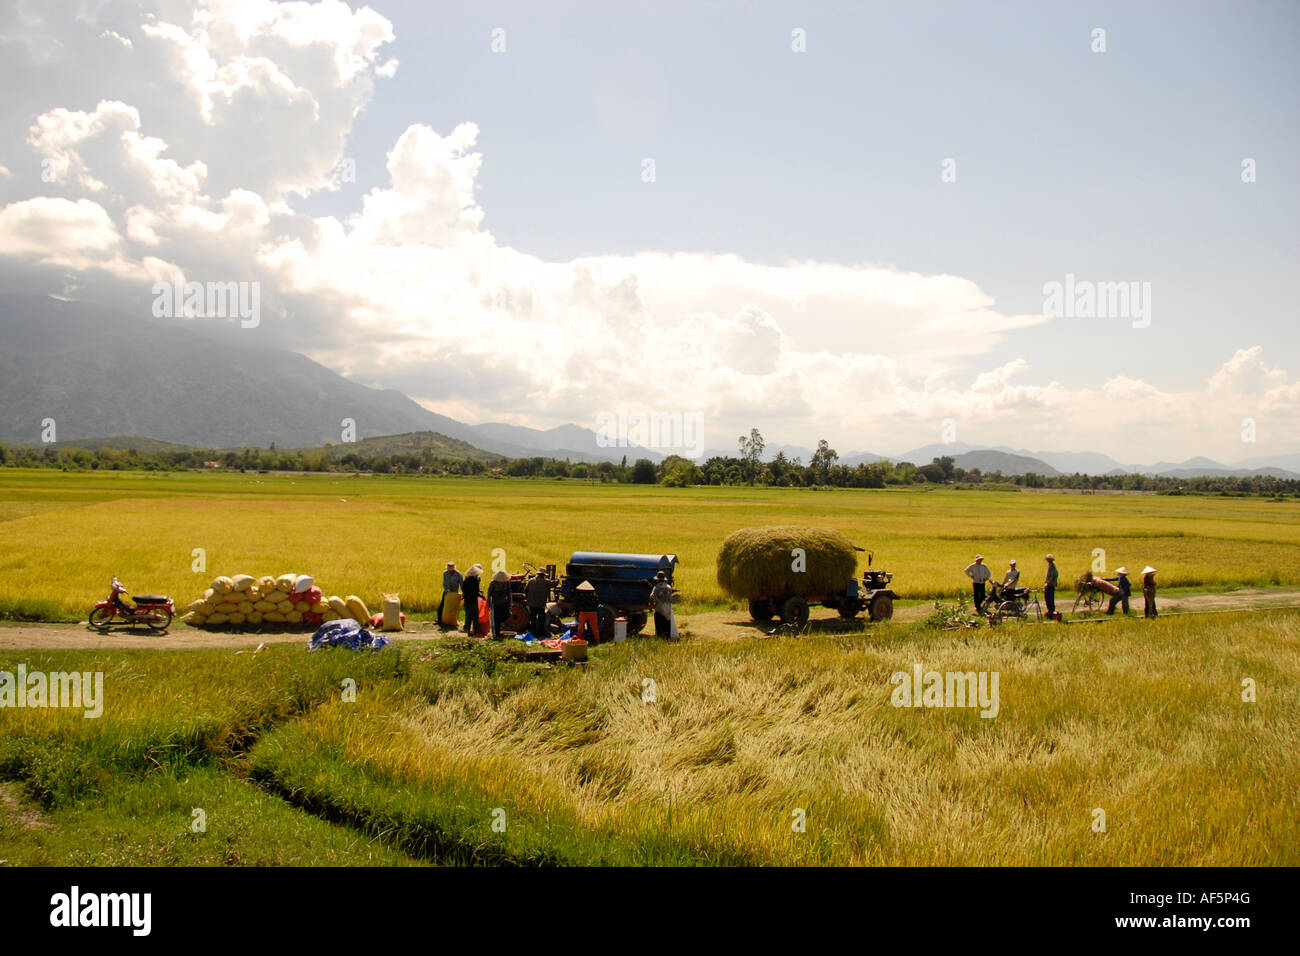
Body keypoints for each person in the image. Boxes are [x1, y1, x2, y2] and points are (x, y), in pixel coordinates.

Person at [525, 569, 551, 638]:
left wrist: (528, 599)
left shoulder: (531, 581)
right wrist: (558, 578)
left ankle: (533, 633)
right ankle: (540, 633)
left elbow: (525, 591)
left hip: (532, 604)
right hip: (541, 604)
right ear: (544, 575)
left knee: (533, 619)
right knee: (541, 620)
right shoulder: (546, 581)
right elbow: (554, 584)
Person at [487, 570, 512, 639]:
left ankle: (501, 627)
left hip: (504, 603)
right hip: (496, 604)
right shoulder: (493, 583)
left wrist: (510, 602)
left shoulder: (507, 583)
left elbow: (509, 593)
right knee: (495, 620)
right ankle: (496, 635)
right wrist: (488, 603)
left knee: (507, 615)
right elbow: (489, 594)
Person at [574, 580, 601, 644]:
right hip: (593, 613)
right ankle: (597, 641)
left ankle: (579, 641)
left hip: (583, 612)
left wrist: (577, 611)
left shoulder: (580, 594)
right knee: (595, 628)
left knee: (580, 628)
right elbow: (597, 603)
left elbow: (577, 603)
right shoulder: (594, 594)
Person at [649, 570, 674, 639]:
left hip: (660, 611)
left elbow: (651, 598)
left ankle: (660, 639)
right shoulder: (669, 587)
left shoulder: (657, 587)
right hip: (668, 611)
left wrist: (651, 606)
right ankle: (667, 640)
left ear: (658, 579)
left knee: (659, 630)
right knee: (667, 629)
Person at [438, 561, 462, 626]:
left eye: (451, 570)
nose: (450, 571)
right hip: (447, 592)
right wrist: (446, 589)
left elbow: (461, 584)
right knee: (443, 605)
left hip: (454, 593)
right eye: (449, 570)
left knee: (454, 607)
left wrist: (463, 593)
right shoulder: (445, 573)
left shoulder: (459, 574)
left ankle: (453, 620)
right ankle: (440, 620)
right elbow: (444, 583)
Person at [462, 563, 483, 634]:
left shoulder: (466, 579)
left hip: (466, 600)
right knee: (475, 616)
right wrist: (482, 597)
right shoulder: (475, 581)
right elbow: (476, 591)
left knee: (468, 616)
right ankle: (476, 631)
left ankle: (467, 630)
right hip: (473, 601)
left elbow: (463, 589)